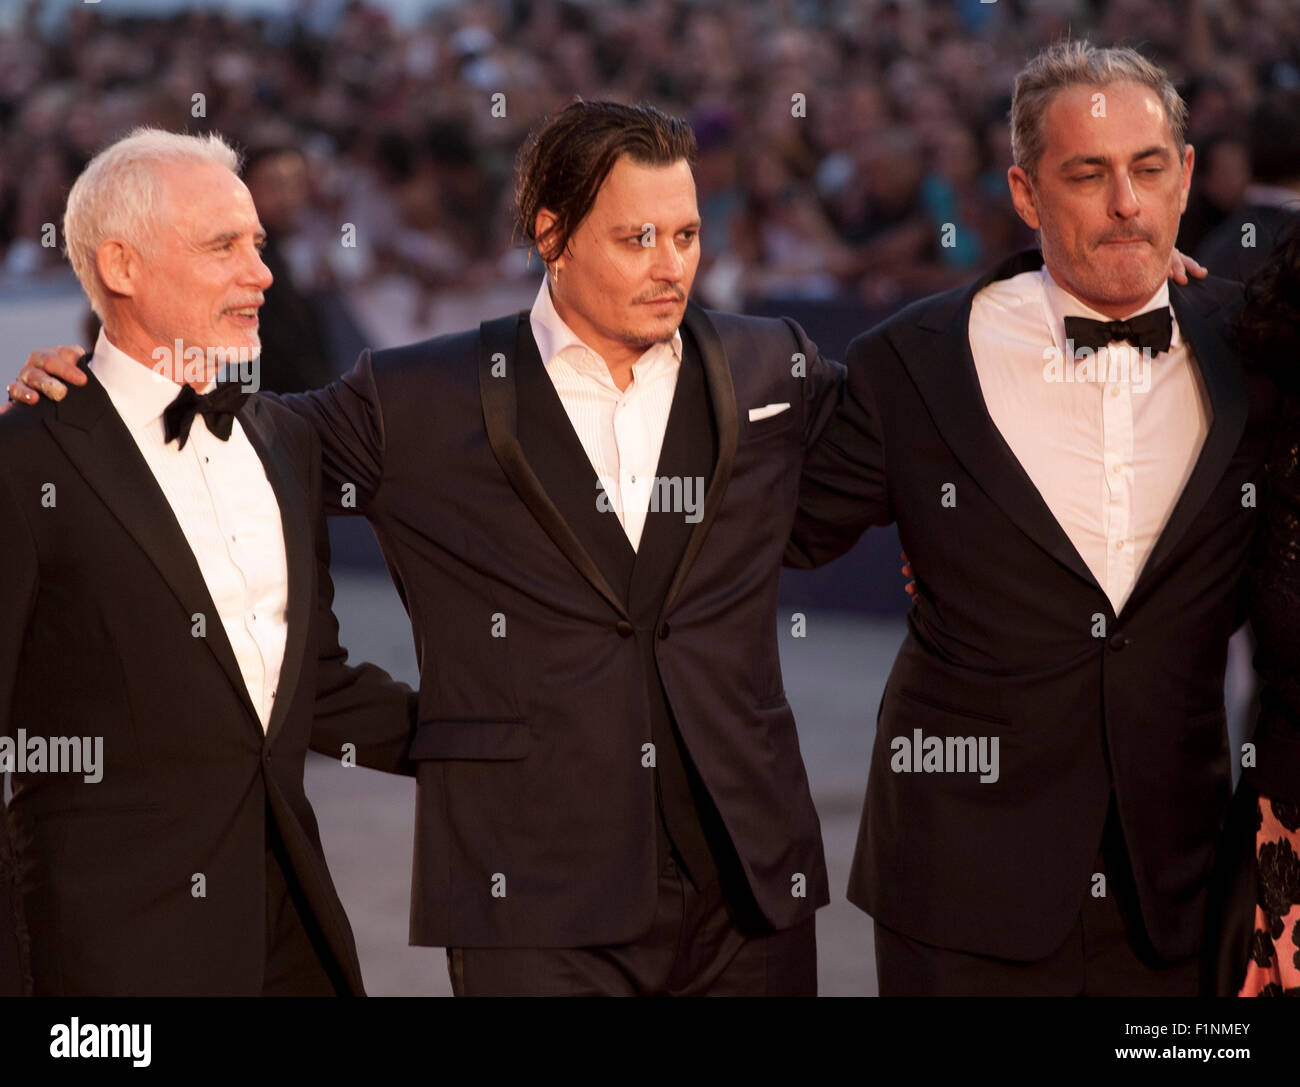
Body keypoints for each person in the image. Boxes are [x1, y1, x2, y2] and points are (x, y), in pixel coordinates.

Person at [11, 102, 1210, 998]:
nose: (672, 263)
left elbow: (941, 407)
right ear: (550, 234)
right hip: (530, 897)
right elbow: (210, 455)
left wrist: (1093, 287)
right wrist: (87, 388)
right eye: (637, 236)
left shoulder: (771, 368)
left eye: (687, 233)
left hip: (752, 893)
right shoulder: (417, 398)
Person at [786, 40, 1281, 996]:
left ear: (1184, 176)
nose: (1125, 203)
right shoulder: (913, 362)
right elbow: (782, 523)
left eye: (1147, 170)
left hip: (1173, 890)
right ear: (1025, 192)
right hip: (961, 883)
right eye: (1088, 175)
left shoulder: (1254, 348)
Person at [0, 129, 415, 996]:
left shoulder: (283, 439)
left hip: (293, 937)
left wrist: (511, 735)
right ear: (121, 264)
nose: (260, 273)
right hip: (106, 960)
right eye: (224, 246)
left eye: (258, 245)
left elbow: (310, 684)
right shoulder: (24, 460)